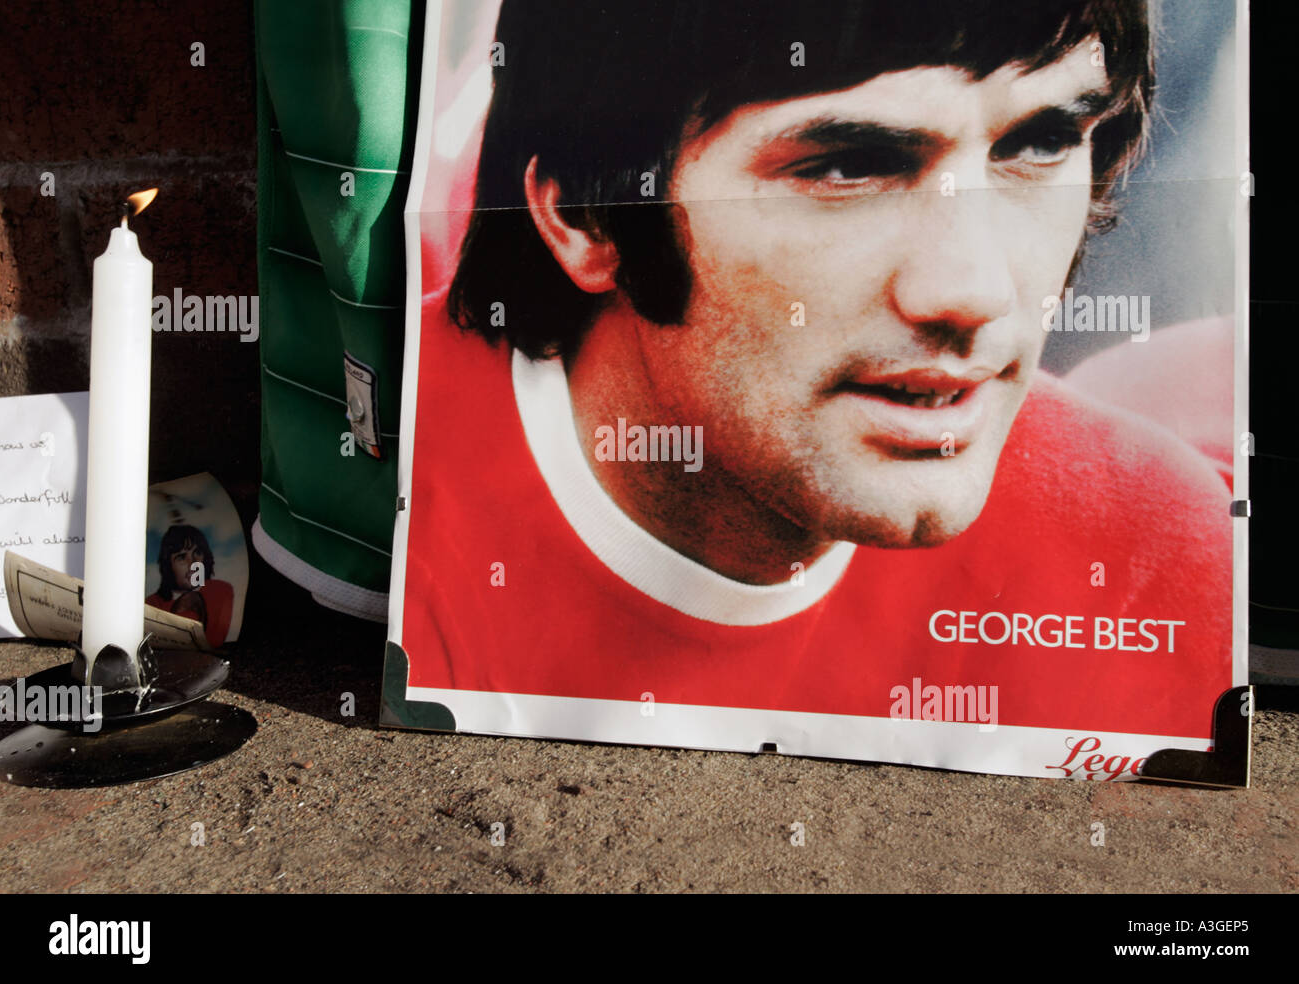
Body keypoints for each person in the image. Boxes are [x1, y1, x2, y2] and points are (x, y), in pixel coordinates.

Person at [400, 0, 1234, 743]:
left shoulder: (1158, 565)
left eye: (1040, 143)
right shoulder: (392, 509)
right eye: (847, 166)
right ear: (584, 214)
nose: (974, 293)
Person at [145, 524, 234, 648]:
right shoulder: (150, 604)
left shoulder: (221, 590)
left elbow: (213, 640)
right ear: (168, 566)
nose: (193, 563)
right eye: (181, 557)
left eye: (197, 553)